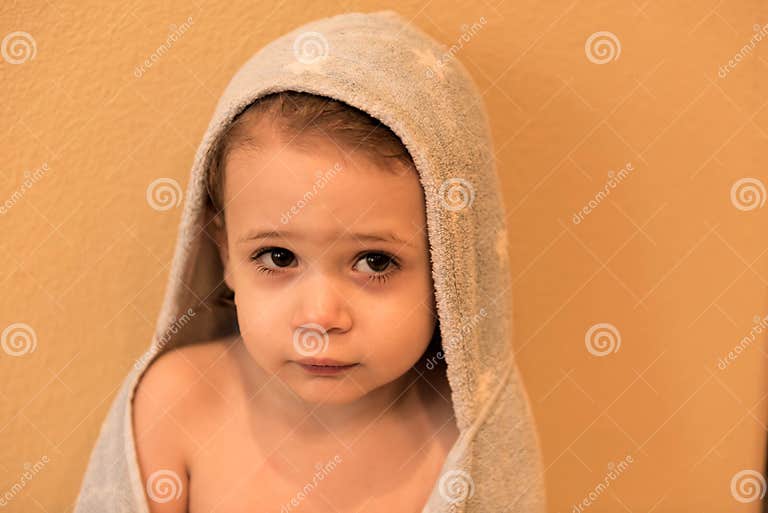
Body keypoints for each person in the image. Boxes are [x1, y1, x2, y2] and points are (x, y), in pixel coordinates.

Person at [73, 10, 547, 513]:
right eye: (278, 256)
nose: (320, 319)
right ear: (224, 254)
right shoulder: (180, 404)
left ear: (448, 266)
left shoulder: (461, 441)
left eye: (374, 262)